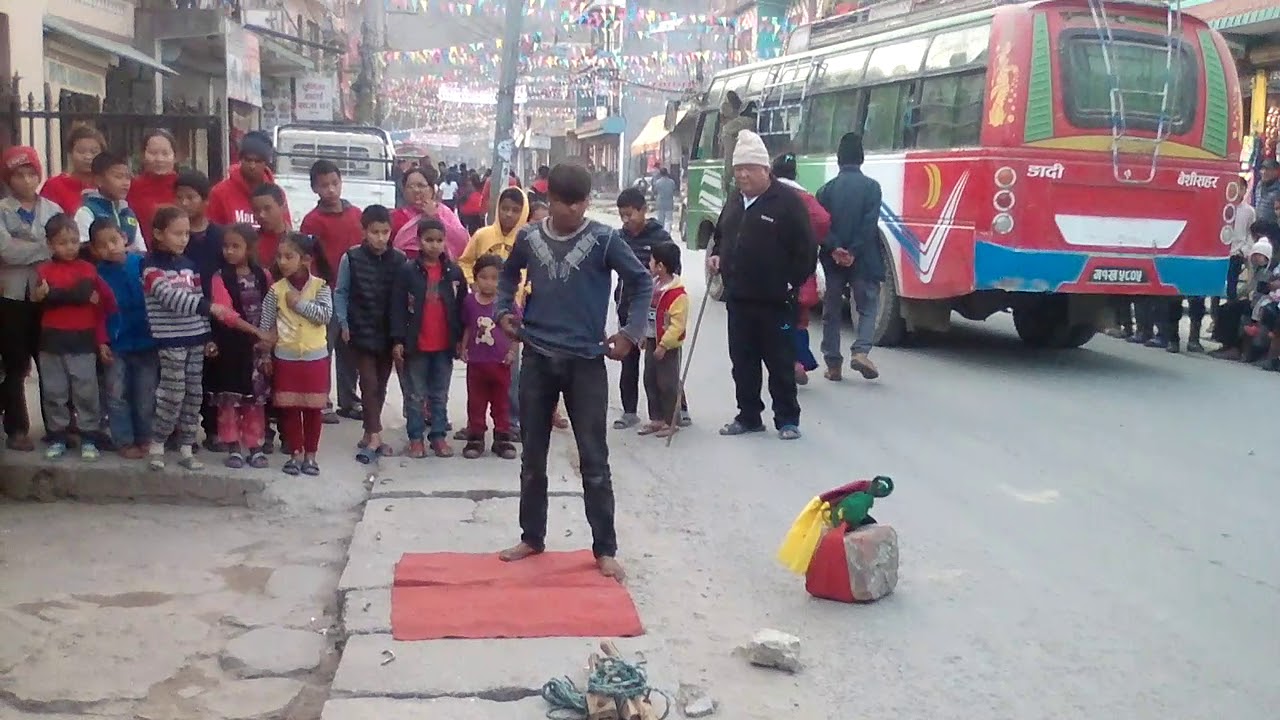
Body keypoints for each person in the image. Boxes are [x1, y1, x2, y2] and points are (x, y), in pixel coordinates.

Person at [494, 162, 653, 581]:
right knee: (533, 456)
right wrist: (502, 312)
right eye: (561, 204)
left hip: (586, 362)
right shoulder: (529, 237)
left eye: (576, 204)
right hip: (538, 357)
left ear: (585, 203)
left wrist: (632, 333)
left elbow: (640, 282)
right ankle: (532, 537)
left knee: (594, 459)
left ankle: (605, 548)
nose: (568, 211)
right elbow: (507, 276)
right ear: (550, 202)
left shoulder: (604, 240)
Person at [708, 130, 815, 441]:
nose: (742, 174)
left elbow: (806, 250)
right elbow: (721, 236)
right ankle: (749, 416)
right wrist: (716, 256)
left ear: (765, 169)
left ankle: (787, 419)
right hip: (738, 298)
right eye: (738, 168)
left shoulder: (787, 203)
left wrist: (789, 283)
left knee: (780, 362)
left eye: (749, 168)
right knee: (742, 362)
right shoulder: (733, 201)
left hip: (775, 302)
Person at [142, 206, 240, 471]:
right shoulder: (150, 267)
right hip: (171, 340)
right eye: (177, 233)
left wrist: (207, 334)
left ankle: (186, 447)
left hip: (196, 339)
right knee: (172, 394)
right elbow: (171, 298)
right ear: (159, 234)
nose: (183, 239)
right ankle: (158, 444)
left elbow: (195, 298)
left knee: (194, 395)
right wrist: (211, 308)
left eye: (186, 233)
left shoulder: (189, 266)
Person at [34, 214, 115, 460]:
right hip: (51, 340)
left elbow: (82, 293)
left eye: (73, 241)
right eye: (62, 242)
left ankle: (89, 436)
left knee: (85, 390)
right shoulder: (43, 269)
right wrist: (52, 297)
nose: (69, 247)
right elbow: (44, 298)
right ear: (50, 245)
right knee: (55, 391)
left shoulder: (88, 268)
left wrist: (54, 296)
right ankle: (58, 435)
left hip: (82, 340)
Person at [258, 233, 334, 476]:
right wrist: (266, 355)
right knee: (290, 408)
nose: (282, 261)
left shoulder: (320, 287)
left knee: (313, 409)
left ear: (306, 260)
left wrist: (298, 304)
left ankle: (311, 455)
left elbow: (325, 316)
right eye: (279, 256)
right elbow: (267, 325)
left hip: (315, 358)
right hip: (286, 357)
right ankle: (295, 453)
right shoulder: (275, 290)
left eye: (289, 256)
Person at [335, 205, 407, 463]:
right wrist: (343, 322)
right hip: (360, 329)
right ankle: (376, 435)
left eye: (385, 232)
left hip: (388, 332)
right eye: (375, 232)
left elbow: (402, 298)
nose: (380, 237)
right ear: (364, 231)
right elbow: (341, 292)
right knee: (368, 382)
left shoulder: (399, 260)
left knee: (381, 384)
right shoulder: (351, 258)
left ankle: (368, 431)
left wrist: (401, 335)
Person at [391, 218, 467, 459]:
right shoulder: (407, 272)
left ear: (445, 242)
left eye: (439, 240)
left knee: (439, 394)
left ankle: (438, 437)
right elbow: (397, 308)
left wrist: (460, 339)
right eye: (429, 240)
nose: (434, 245)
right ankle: (415, 438)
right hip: (417, 346)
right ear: (419, 241)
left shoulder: (453, 272)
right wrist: (398, 340)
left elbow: (462, 307)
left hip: (444, 346)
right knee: (415, 395)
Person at [0, 146, 58, 451]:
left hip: (47, 293)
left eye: (31, 173)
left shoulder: (52, 209)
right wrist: (41, 247)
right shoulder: (2, 209)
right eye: (18, 174)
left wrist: (23, 247)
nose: (26, 179)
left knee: (49, 361)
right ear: (8, 179)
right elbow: (5, 251)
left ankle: (57, 427)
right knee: (16, 363)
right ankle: (17, 428)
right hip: (10, 295)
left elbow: (61, 246)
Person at [612, 186, 683, 430]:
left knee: (662, 365)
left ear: (644, 210)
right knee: (628, 360)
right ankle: (629, 411)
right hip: (627, 308)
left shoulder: (660, 237)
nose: (626, 220)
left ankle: (677, 409)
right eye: (622, 215)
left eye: (630, 214)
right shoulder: (619, 238)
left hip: (656, 312)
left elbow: (675, 271)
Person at [816, 132, 883, 382]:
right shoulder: (872, 188)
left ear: (838, 159)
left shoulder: (826, 190)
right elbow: (869, 224)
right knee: (867, 306)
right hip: (863, 259)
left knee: (831, 310)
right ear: (862, 158)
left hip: (832, 261)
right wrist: (853, 251)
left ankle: (833, 364)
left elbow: (821, 226)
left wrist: (835, 249)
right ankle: (860, 352)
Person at [300, 159, 363, 422]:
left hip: (354, 294)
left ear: (341, 182)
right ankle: (321, 399)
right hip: (325, 292)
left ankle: (349, 400)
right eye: (324, 185)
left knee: (350, 348)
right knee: (323, 348)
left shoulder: (356, 215)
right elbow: (308, 258)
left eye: (334, 183)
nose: (330, 190)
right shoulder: (312, 221)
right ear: (314, 188)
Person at [89, 218, 158, 460]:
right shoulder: (96, 276)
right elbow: (95, 314)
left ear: (125, 239)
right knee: (116, 394)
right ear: (94, 251)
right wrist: (101, 342)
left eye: (114, 240)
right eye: (102, 245)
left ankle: (145, 437)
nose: (110, 247)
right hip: (116, 344)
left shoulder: (141, 264)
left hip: (147, 340)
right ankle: (124, 441)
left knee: (145, 394)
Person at [207, 224, 274, 469]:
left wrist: (268, 340)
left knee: (255, 400)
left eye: (236, 246)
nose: (229, 251)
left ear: (250, 248)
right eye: (226, 246)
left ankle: (255, 447)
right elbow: (226, 314)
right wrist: (257, 332)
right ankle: (233, 447)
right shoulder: (219, 277)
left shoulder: (263, 275)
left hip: (257, 349)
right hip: (231, 346)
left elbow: (270, 307)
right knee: (229, 400)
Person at [175, 169, 228, 449]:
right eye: (179, 197)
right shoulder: (171, 235)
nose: (184, 203)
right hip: (178, 314)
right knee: (181, 376)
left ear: (205, 200)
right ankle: (182, 432)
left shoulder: (218, 236)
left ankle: (213, 430)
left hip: (213, 312)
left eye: (191, 197)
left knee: (212, 375)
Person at [772, 152, 829, 386]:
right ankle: (799, 361)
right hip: (802, 271)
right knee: (799, 319)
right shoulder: (806, 197)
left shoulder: (771, 196)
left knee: (777, 319)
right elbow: (823, 221)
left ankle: (790, 362)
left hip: (774, 270)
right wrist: (809, 241)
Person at [460, 253, 519, 460]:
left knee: (501, 403)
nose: (489, 282)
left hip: (501, 364)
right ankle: (475, 438)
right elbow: (468, 326)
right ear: (476, 279)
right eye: (484, 277)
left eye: (495, 278)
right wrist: (463, 347)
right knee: (475, 402)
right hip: (476, 364)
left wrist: (512, 352)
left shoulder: (507, 305)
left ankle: (502, 438)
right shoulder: (469, 302)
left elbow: (515, 331)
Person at [637, 242, 688, 439]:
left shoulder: (677, 294)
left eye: (651, 260)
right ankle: (656, 418)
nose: (648, 263)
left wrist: (664, 344)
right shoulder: (653, 285)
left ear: (661, 266)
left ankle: (671, 420)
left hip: (667, 346)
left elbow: (678, 325)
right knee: (649, 379)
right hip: (651, 339)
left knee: (667, 383)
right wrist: (642, 335)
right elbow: (646, 313)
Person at [208, 132, 291, 228]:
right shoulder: (219, 192)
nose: (252, 166)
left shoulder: (277, 193)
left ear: (266, 163)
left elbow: (286, 231)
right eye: (248, 160)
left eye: (258, 161)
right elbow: (212, 232)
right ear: (240, 160)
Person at [390, 167, 470, 261]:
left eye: (421, 186)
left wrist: (436, 217)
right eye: (410, 186)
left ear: (431, 190)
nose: (416, 190)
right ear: (404, 192)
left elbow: (462, 243)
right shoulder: (396, 216)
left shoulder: (445, 213)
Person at [74, 152, 143, 254]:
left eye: (128, 177)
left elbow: (141, 249)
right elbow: (84, 250)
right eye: (118, 177)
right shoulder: (87, 212)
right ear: (99, 180)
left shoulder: (128, 213)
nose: (125, 183)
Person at [457, 187, 528, 285]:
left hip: (516, 298)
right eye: (504, 208)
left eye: (515, 210)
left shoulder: (527, 241)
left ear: (524, 212)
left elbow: (535, 274)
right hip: (483, 297)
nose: (509, 214)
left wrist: (527, 290)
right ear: (498, 208)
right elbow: (464, 263)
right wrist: (472, 283)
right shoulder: (481, 235)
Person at [127, 129, 180, 248]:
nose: (159, 159)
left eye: (165, 153)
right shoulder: (131, 187)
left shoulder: (184, 187)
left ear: (175, 156)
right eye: (153, 153)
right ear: (142, 155)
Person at [40, 125, 104, 214]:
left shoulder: (107, 186)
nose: (88, 157)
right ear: (70, 153)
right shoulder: (54, 185)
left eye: (94, 152)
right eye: (81, 151)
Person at [250, 183, 292, 268]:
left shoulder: (297, 243)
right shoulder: (249, 242)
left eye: (267, 209)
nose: (261, 215)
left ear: (283, 208)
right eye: (256, 210)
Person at [1257, 159, 1280, 225]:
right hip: (1258, 229)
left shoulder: (1278, 191)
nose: (1264, 172)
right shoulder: (1259, 186)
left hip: (1272, 231)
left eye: (1267, 170)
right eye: (1262, 169)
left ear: (1276, 172)